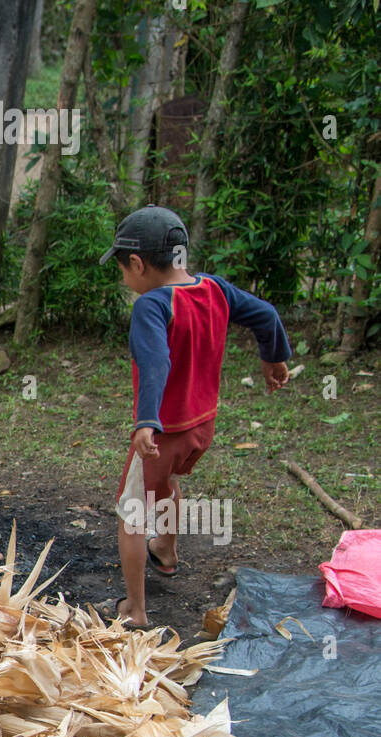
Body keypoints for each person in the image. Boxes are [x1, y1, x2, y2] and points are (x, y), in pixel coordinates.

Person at [98, 205, 291, 629]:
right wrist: (274, 359)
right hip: (202, 426)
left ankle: (135, 609)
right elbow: (267, 316)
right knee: (165, 484)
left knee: (131, 514)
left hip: (162, 431)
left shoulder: (151, 306)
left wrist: (145, 421)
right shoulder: (214, 289)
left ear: (137, 264)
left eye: (123, 271)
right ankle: (165, 551)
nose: (125, 280)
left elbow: (155, 364)